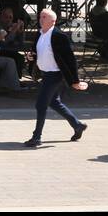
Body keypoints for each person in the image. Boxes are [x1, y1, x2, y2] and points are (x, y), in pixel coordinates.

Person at [24, 9, 88, 147]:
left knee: (41, 104)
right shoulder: (40, 34)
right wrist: (31, 57)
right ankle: (77, 125)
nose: (40, 19)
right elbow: (36, 52)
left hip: (55, 74)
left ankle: (36, 137)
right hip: (46, 73)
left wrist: (74, 81)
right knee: (54, 102)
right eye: (40, 16)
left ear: (52, 21)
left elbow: (69, 59)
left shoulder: (59, 36)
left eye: (44, 17)